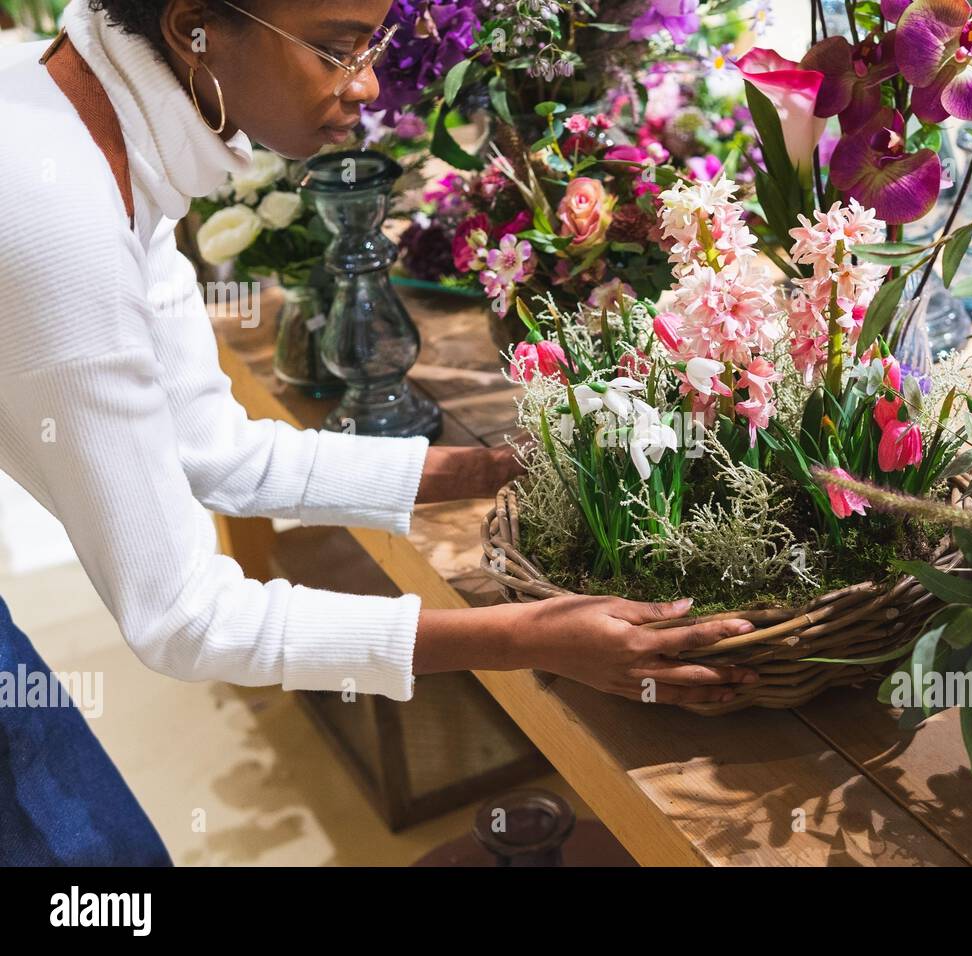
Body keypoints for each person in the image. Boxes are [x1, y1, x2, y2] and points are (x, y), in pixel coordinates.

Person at [0, 0, 757, 865]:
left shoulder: (97, 131)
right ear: (192, 27)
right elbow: (184, 617)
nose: (365, 84)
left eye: (374, 46)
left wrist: (491, 468)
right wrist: (530, 638)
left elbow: (212, 449)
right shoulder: (54, 216)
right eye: (336, 49)